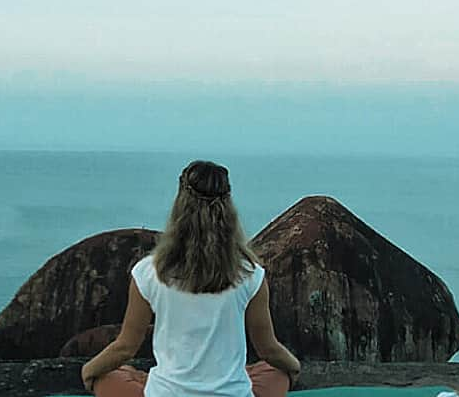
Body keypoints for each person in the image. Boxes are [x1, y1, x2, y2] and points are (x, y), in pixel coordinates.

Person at [81, 160, 301, 397]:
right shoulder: (249, 273)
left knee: (111, 375)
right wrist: (294, 367)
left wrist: (88, 371)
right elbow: (268, 349)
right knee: (274, 371)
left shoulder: (150, 272)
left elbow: (125, 347)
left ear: (179, 205)